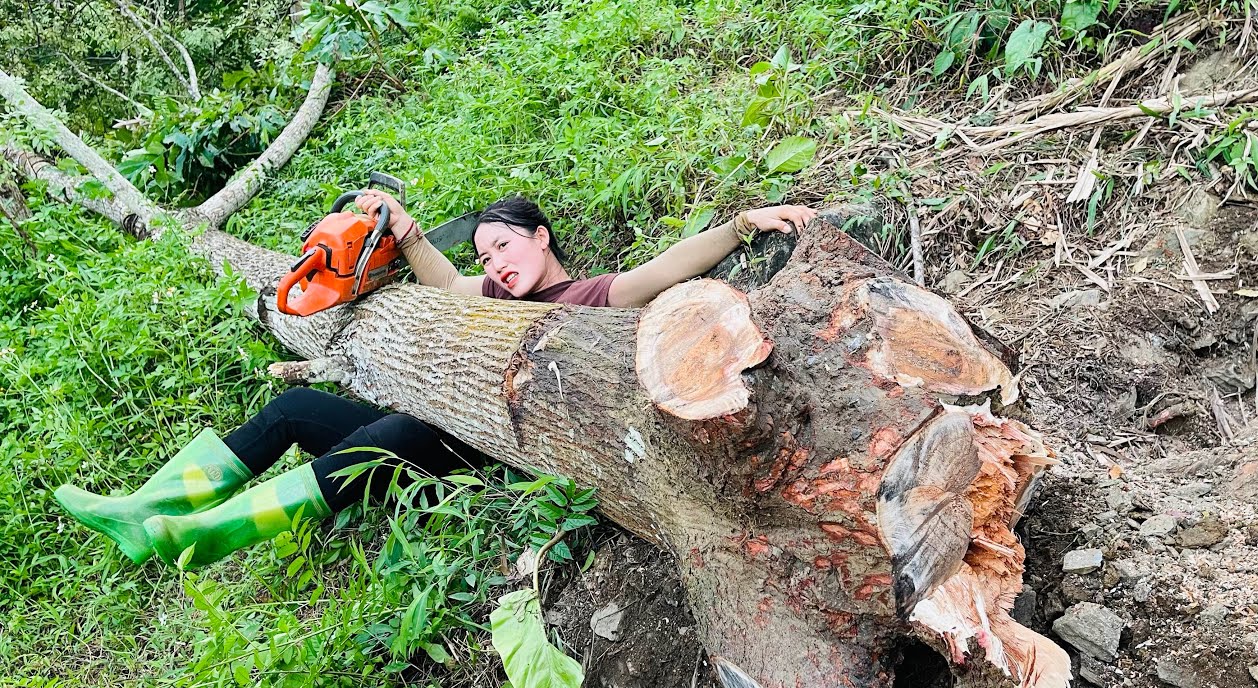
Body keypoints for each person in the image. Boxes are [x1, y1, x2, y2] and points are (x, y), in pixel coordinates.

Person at [54, 195, 815, 568]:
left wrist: (744, 224)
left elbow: (665, 269)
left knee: (383, 440)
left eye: (505, 247)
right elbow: (446, 286)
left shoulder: (589, 297)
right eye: (485, 256)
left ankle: (206, 533)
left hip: (488, 436)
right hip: (437, 415)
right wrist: (408, 229)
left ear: (542, 238)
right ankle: (144, 505)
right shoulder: (485, 299)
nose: (495, 266)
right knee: (293, 408)